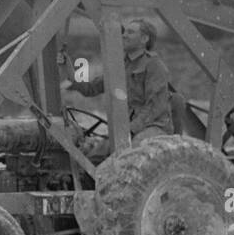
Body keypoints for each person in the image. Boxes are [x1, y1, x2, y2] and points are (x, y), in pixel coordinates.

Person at [64, 17, 174, 150]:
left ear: (144, 39)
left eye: (130, 32)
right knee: (93, 154)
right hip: (129, 128)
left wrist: (130, 130)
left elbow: (155, 106)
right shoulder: (121, 65)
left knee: (132, 154)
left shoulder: (154, 66)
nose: (124, 35)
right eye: (124, 32)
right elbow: (91, 88)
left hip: (153, 127)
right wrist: (67, 69)